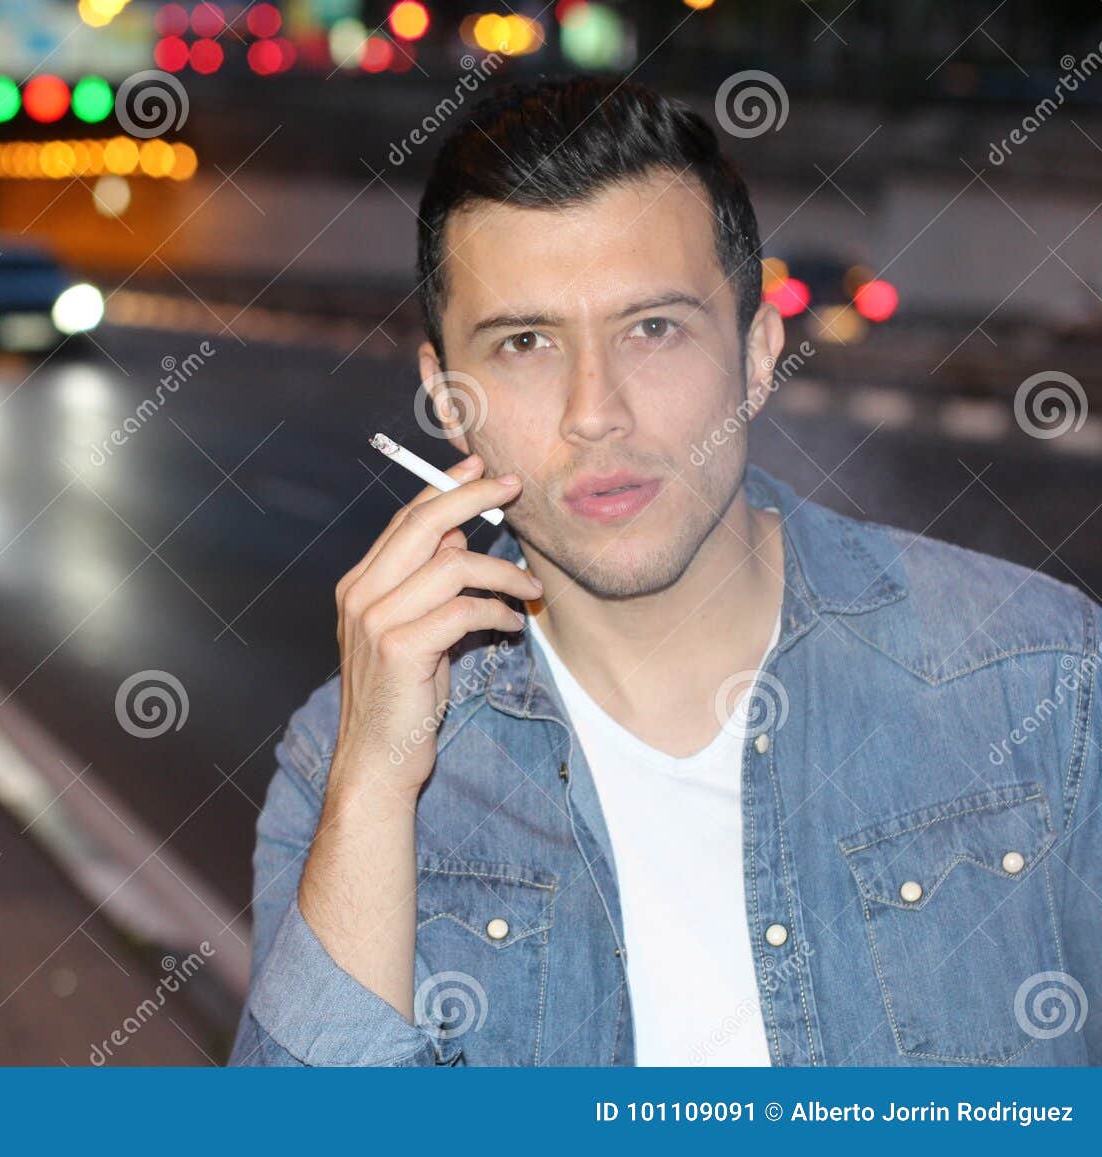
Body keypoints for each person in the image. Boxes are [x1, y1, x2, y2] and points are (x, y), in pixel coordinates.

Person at [228, 76, 1101, 1066]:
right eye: (524, 342)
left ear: (757, 351)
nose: (593, 410)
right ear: (447, 396)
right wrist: (377, 783)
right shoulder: (339, 760)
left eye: (652, 328)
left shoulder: (1039, 680)